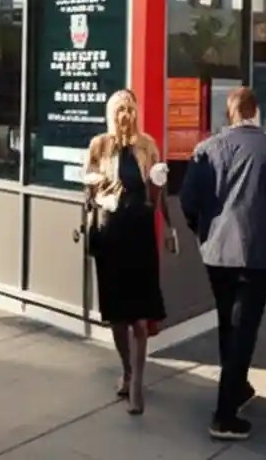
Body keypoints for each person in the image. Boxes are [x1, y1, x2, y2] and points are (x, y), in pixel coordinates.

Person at [181, 86, 266, 442]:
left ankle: (237, 388)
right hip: (255, 253)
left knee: (227, 324)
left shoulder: (206, 149)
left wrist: (204, 232)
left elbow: (189, 201)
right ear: (256, 112)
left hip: (217, 252)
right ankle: (224, 414)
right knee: (243, 330)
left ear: (230, 113)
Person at [82, 90, 173, 416]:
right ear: (111, 113)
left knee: (139, 315)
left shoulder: (147, 145)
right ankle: (127, 368)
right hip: (111, 233)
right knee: (117, 315)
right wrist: (93, 187)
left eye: (130, 109)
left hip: (139, 233)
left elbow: (156, 193)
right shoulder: (99, 146)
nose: (126, 116)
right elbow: (88, 188)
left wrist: (166, 216)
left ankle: (137, 384)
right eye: (120, 110)